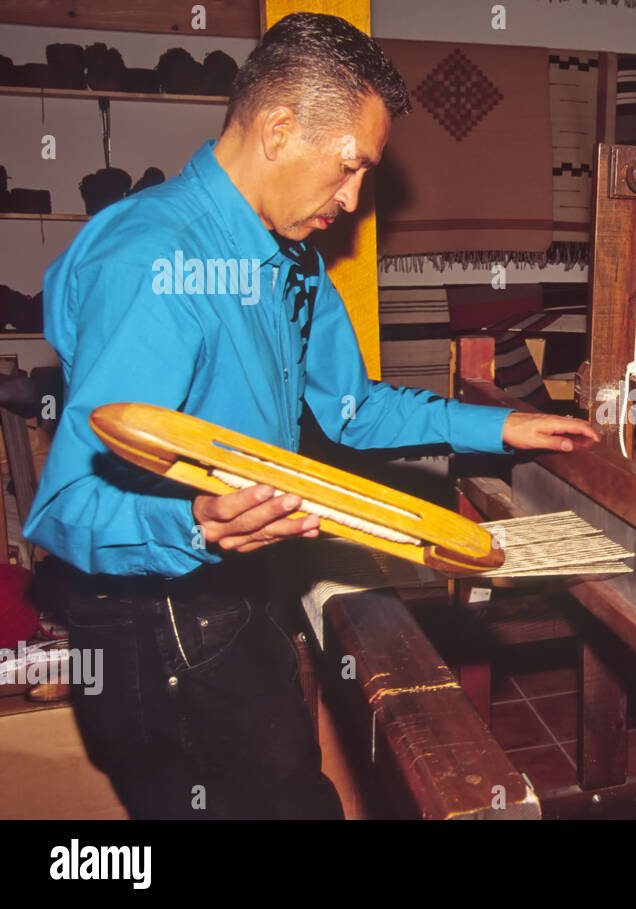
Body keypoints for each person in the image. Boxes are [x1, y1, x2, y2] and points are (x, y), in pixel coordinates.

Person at [23, 12, 598, 819]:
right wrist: (197, 524)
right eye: (350, 167)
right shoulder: (158, 262)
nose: (355, 197)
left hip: (235, 585)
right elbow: (63, 510)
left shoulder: (288, 257)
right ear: (280, 128)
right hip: (159, 623)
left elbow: (352, 408)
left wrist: (499, 427)